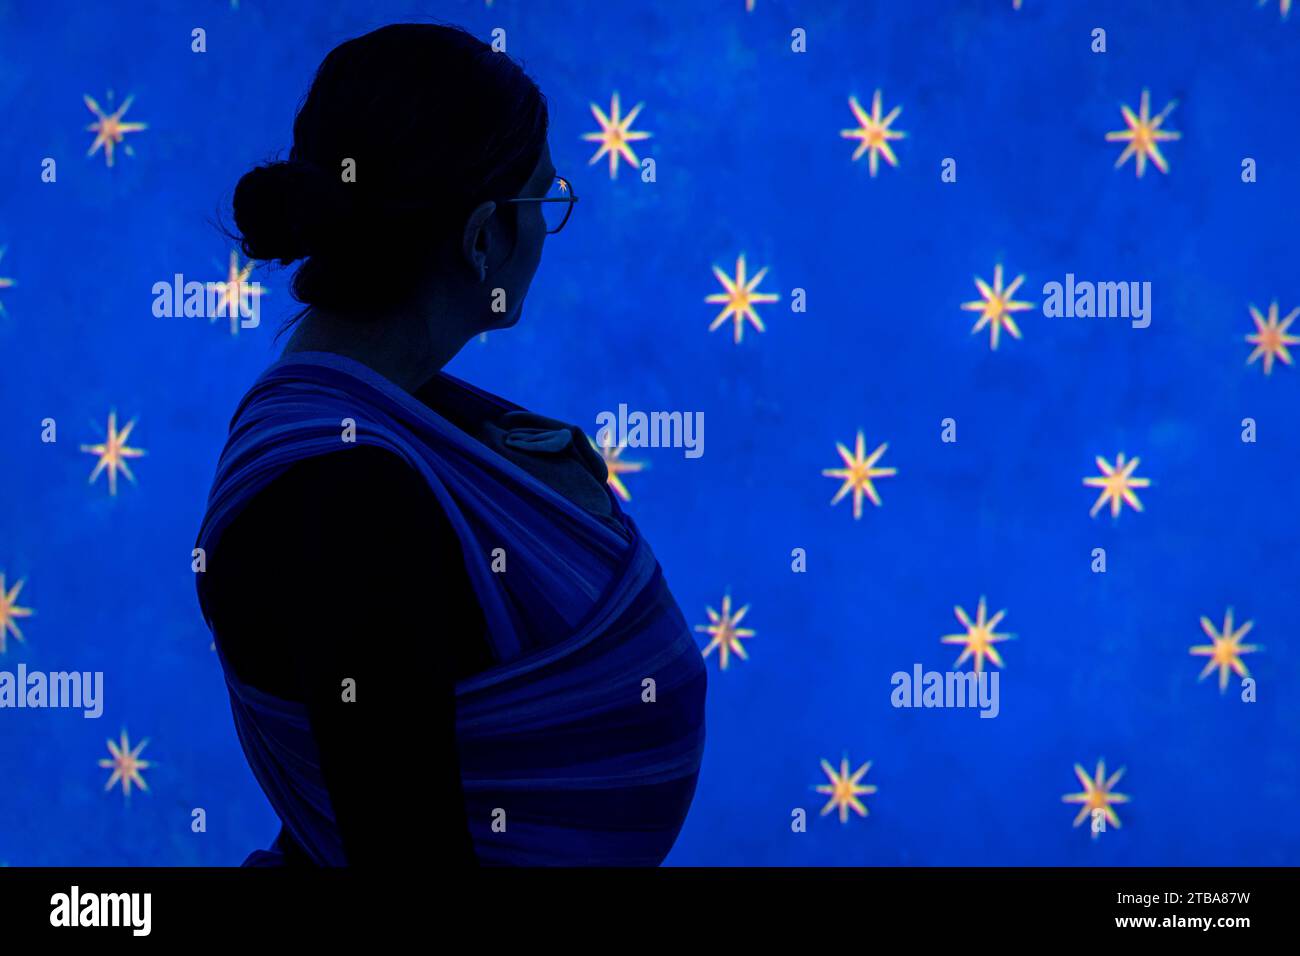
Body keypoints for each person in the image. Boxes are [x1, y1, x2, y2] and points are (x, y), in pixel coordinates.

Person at [194, 23, 706, 866]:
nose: (546, 228)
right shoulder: (350, 498)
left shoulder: (384, 425)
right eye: (542, 201)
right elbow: (402, 844)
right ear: (483, 239)